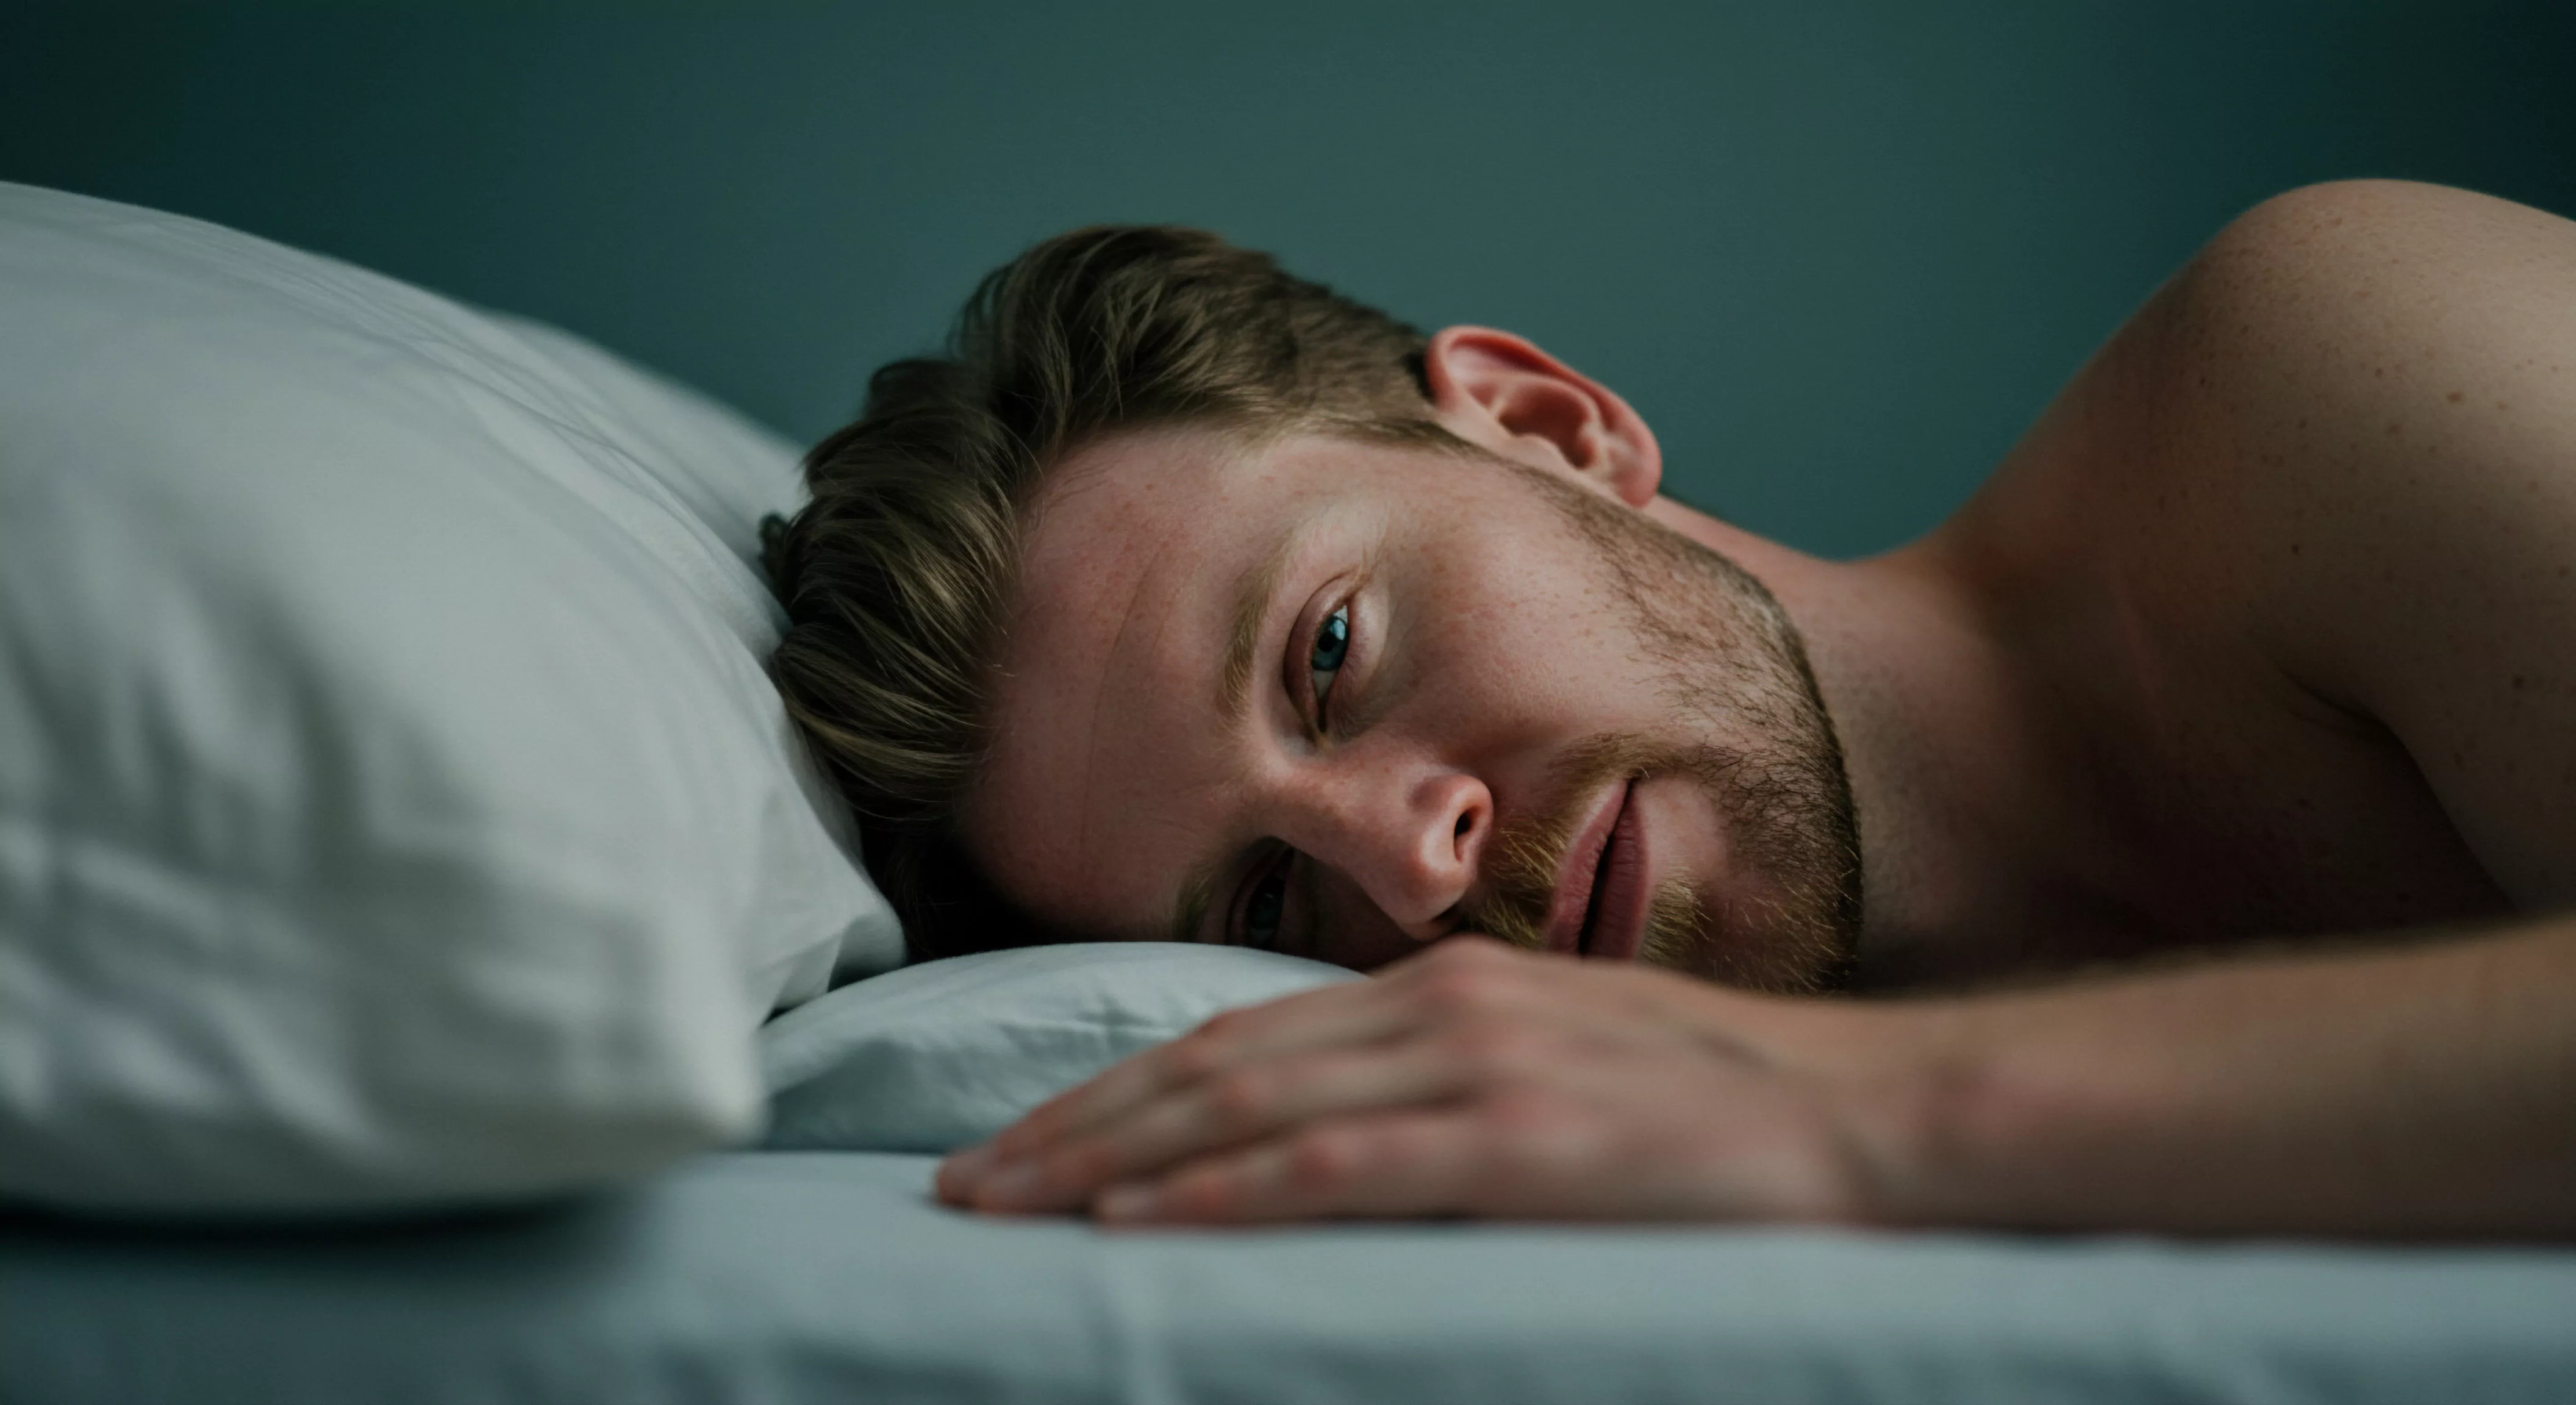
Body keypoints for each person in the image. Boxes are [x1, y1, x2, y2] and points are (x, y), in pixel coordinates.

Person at [759, 179, 2576, 1237]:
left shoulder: (2307, 376)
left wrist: (1891, 1109)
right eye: (1261, 906)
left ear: (1552, 429)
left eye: (1327, 655)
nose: (1406, 871)